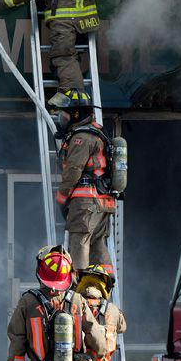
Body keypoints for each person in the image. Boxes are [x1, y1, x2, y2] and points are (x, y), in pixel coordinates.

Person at [52, 89, 116, 277]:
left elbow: (73, 171)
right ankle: (105, 284)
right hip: (100, 202)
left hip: (85, 203)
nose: (61, 118)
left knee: (79, 244)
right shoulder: (95, 132)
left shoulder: (81, 138)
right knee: (97, 245)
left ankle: (79, 288)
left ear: (76, 114)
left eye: (64, 114)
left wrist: (61, 197)